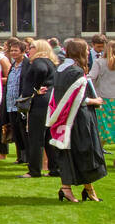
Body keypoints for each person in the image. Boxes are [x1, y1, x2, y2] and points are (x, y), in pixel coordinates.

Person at [48, 38, 106, 202]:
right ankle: (81, 189)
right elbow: (76, 99)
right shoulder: (75, 71)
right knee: (85, 152)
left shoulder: (60, 69)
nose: (88, 53)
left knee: (71, 152)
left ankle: (79, 188)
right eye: (86, 50)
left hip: (65, 118)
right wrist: (94, 101)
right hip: (78, 119)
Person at [21, 38, 60, 179]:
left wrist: (35, 89)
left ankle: (34, 170)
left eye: (31, 47)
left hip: (40, 102)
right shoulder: (51, 62)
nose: (28, 50)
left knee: (36, 136)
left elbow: (40, 70)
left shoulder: (39, 62)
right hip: (51, 101)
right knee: (49, 136)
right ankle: (55, 168)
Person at [90, 38, 115, 147]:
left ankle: (98, 158)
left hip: (103, 100)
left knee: (102, 130)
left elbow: (91, 78)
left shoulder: (99, 62)